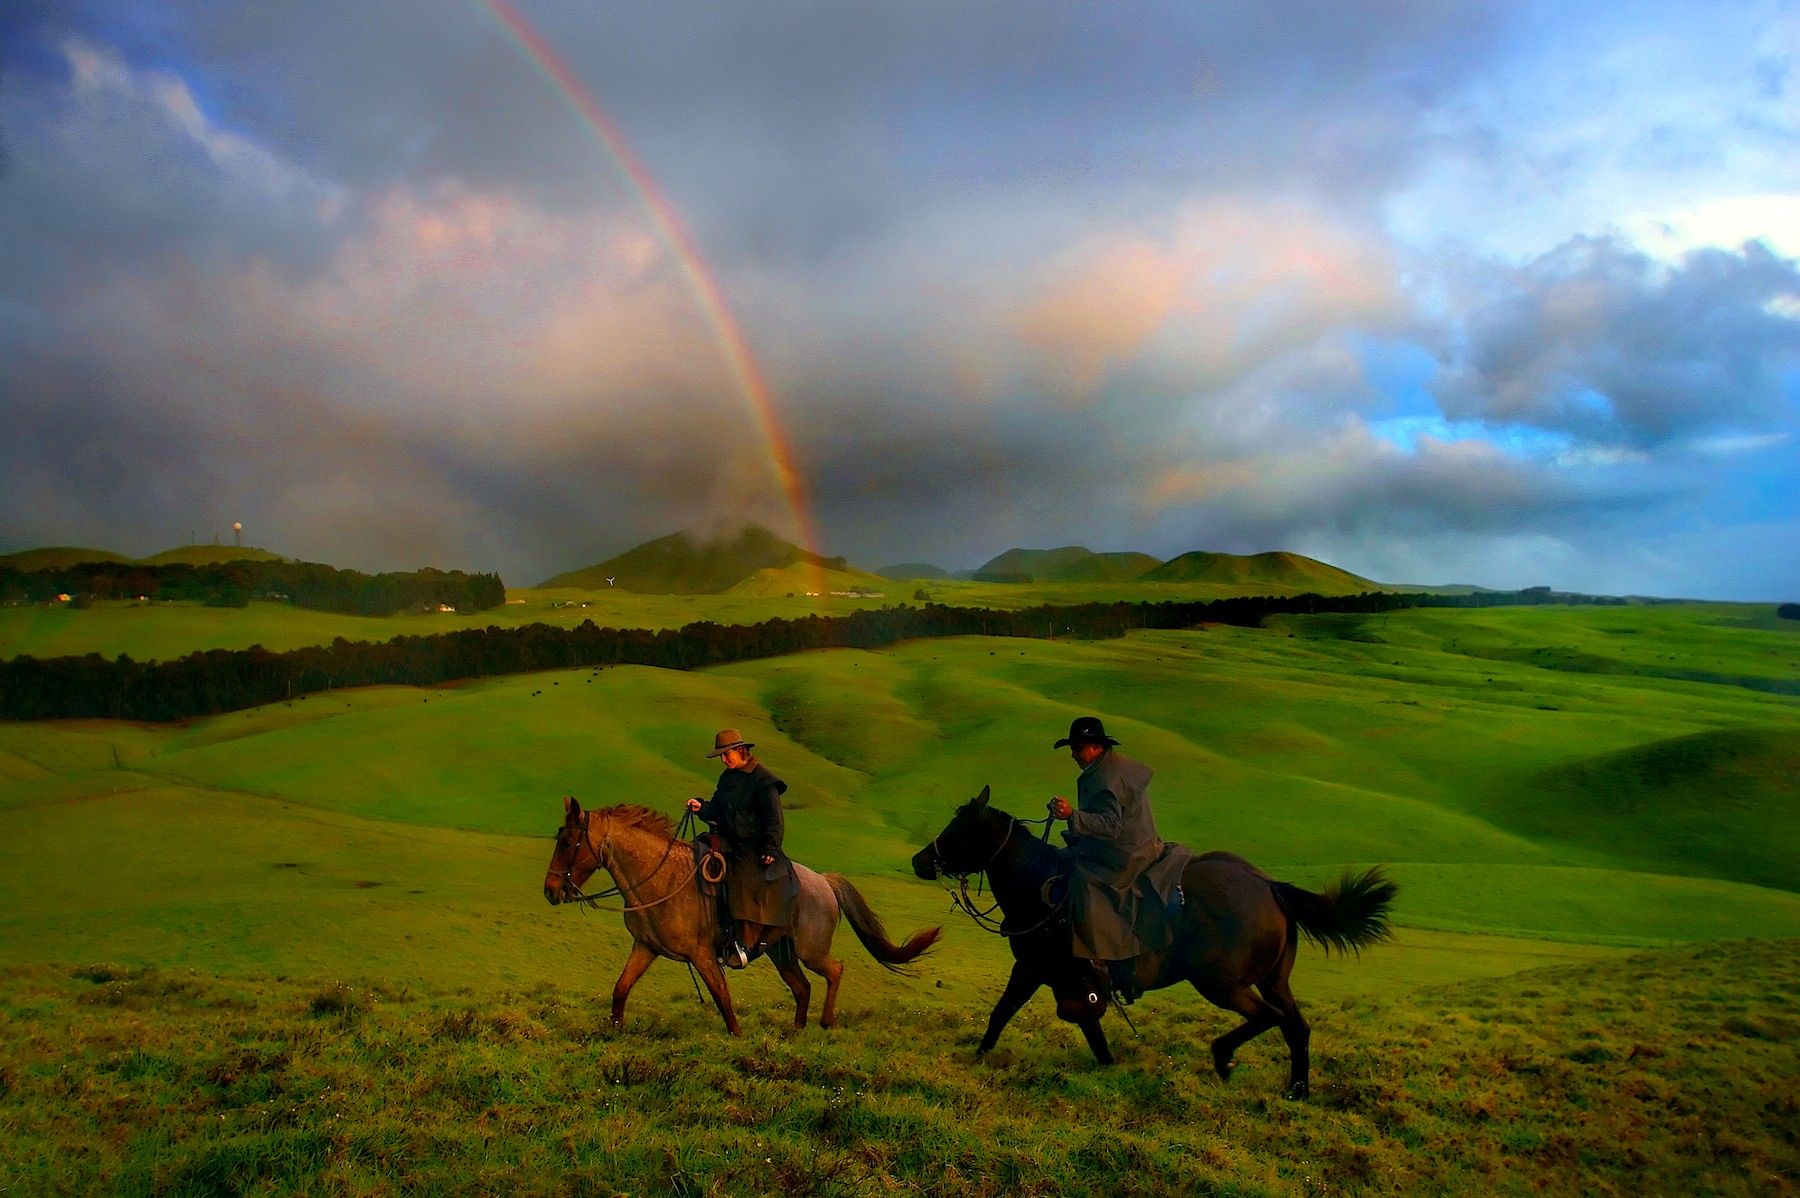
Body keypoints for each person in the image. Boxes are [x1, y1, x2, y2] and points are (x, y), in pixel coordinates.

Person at [1048, 715, 1164, 1004]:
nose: (1073, 755)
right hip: (1140, 842)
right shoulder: (1113, 765)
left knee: (1085, 881)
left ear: (1096, 747)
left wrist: (1071, 816)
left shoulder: (1106, 777)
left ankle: (1101, 961)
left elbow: (1111, 825)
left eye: (1077, 748)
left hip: (1126, 853)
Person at [686, 728, 798, 969]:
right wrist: (701, 808)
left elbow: (774, 820)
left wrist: (771, 847)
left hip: (753, 847)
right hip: (727, 840)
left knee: (742, 877)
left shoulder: (763, 780)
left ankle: (743, 943)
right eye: (722, 756)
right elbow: (716, 808)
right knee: (696, 855)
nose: (724, 760)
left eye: (727, 755)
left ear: (740, 751)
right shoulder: (728, 778)